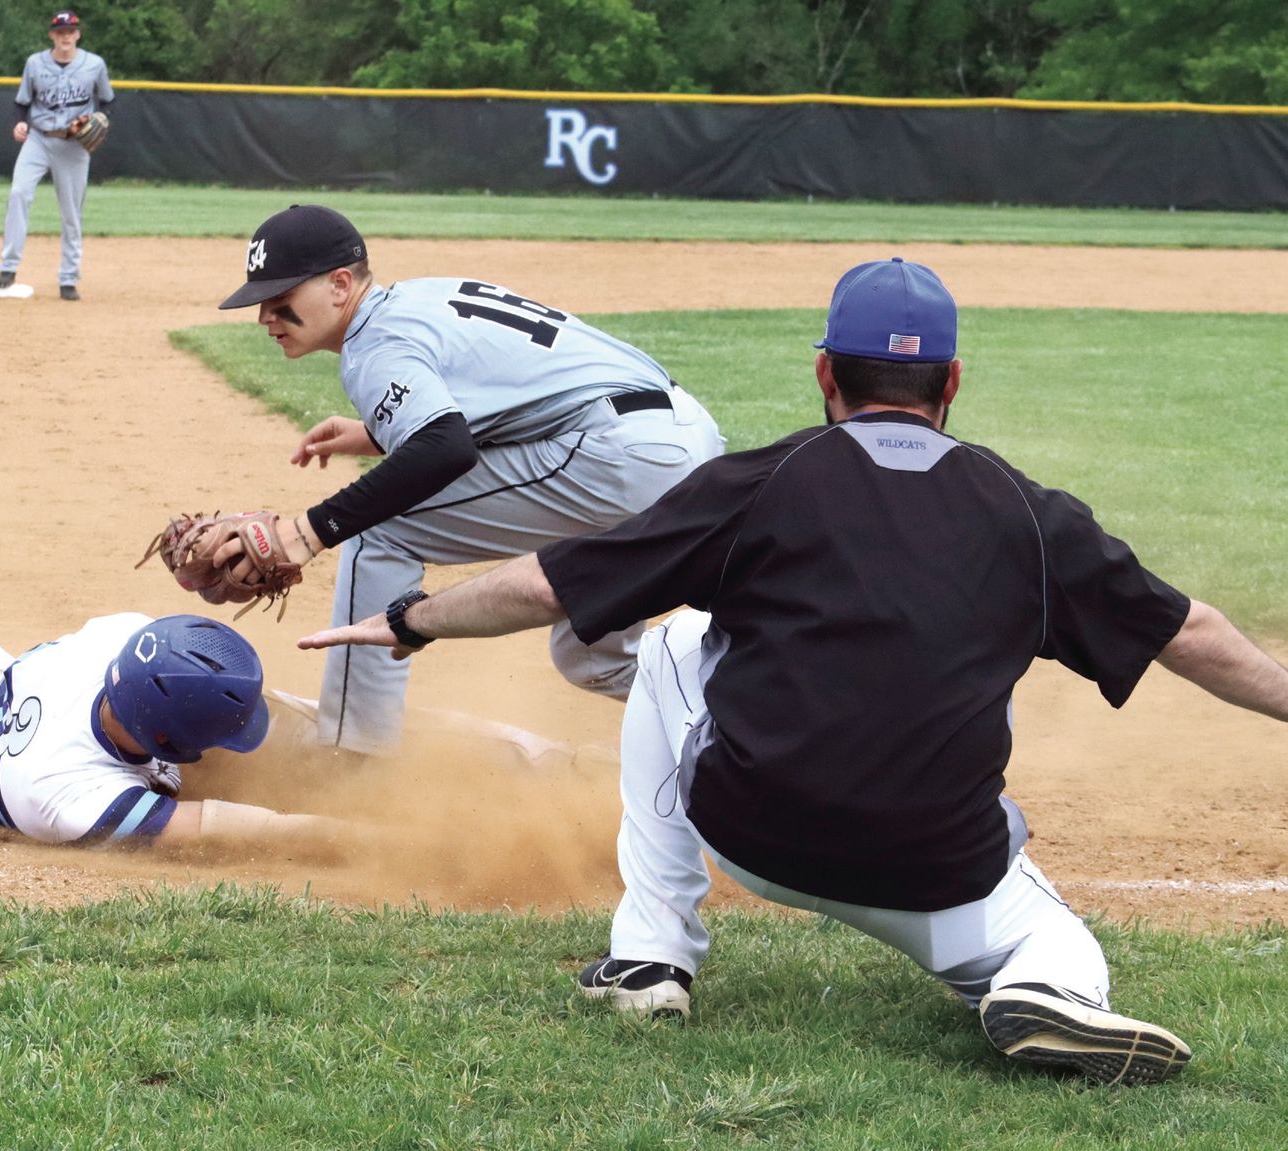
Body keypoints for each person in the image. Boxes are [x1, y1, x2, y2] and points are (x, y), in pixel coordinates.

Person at [298, 257, 1288, 1086]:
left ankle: (652, 953)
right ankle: (1048, 989)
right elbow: (1189, 629)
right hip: (935, 862)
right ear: (952, 386)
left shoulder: (759, 480)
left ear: (825, 374)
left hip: (755, 829)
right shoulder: (1029, 513)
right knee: (1056, 938)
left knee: (677, 640)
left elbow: (547, 585)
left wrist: (410, 618)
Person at [208, 203, 724, 755]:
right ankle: (745, 702)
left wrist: (307, 532)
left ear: (339, 285)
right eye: (261, 301)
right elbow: (504, 393)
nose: (265, 316)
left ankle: (353, 755)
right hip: (678, 440)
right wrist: (382, 431)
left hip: (615, 457)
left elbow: (445, 450)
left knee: (380, 531)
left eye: (281, 299)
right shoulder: (419, 297)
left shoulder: (371, 348)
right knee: (591, 657)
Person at [0, 572, 577, 848]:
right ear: (165, 747)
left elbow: (15, 681)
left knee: (318, 739)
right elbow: (248, 830)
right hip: (33, 752)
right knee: (321, 763)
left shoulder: (115, 641)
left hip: (31, 696)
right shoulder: (74, 800)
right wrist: (376, 840)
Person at [0, 571, 337, 850]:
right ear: (163, 745)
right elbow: (218, 829)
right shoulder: (77, 802)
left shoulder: (126, 635)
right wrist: (348, 833)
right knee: (189, 771)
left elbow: (194, 681)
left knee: (202, 693)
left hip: (36, 685)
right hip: (18, 767)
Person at [0, 10, 113, 302]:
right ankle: (8, 268)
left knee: (71, 213)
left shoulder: (94, 65)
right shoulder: (35, 63)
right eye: (60, 32)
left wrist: (98, 119)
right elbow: (22, 103)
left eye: (70, 31)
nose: (65, 36)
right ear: (52, 35)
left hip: (73, 146)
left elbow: (107, 102)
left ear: (78, 34)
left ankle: (68, 279)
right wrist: (19, 123)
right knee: (19, 193)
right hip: (38, 139)